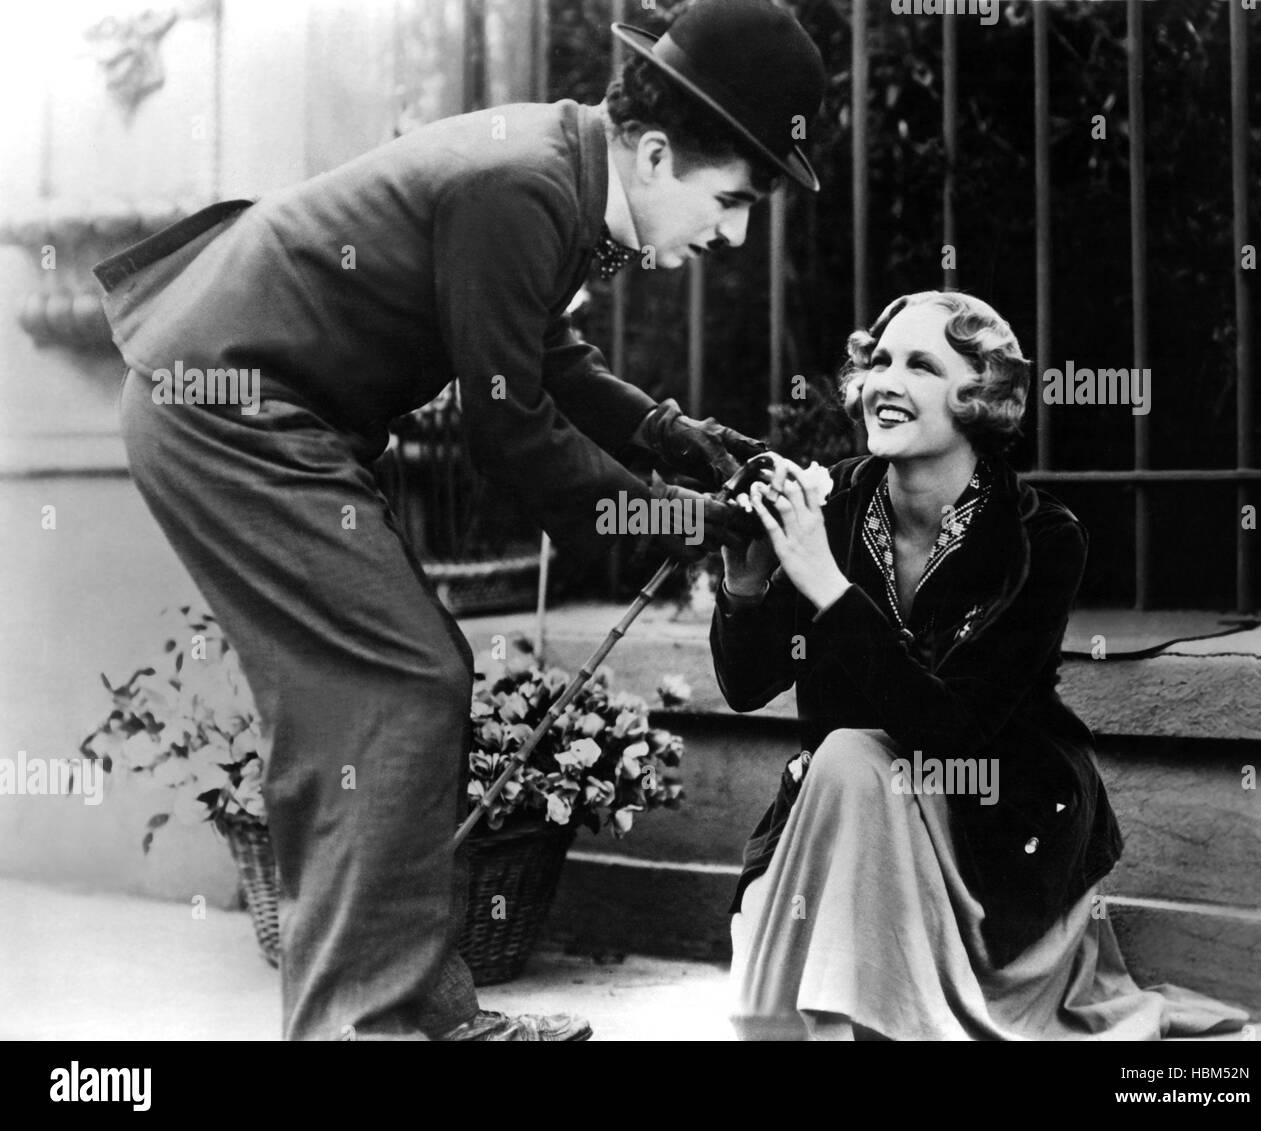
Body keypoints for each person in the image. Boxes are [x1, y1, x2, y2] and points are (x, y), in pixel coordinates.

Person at [92, 0, 825, 1041]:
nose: (736, 233)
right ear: (656, 153)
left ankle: (420, 1018)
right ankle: (373, 1030)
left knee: (369, 699)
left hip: (249, 406)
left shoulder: (555, 166)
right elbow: (511, 434)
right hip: (225, 410)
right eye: (734, 198)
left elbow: (543, 361)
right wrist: (685, 521)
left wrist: (670, 435)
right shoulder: (523, 184)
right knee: (397, 682)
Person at [713, 290, 1250, 1040]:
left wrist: (830, 590)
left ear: (979, 397)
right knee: (845, 761)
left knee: (851, 756)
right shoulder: (837, 505)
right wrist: (745, 583)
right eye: (880, 361)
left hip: (987, 819)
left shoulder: (1042, 537)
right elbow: (745, 687)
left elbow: (956, 735)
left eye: (921, 366)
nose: (885, 383)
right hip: (849, 817)